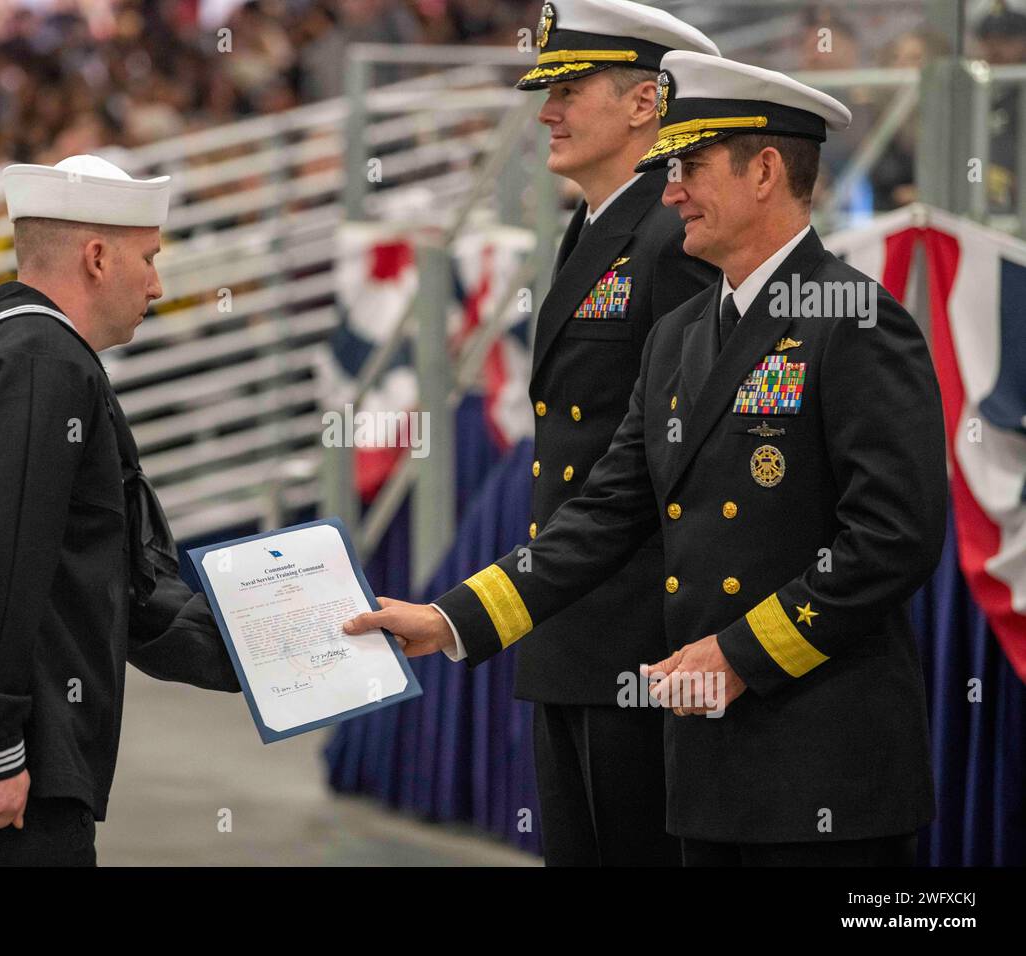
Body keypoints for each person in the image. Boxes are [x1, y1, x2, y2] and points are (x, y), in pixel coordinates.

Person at [346, 53, 947, 866]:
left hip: (821, 766)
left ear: (765, 170)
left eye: (691, 167)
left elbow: (893, 537)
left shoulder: (855, 321)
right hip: (705, 760)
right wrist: (452, 618)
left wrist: (741, 653)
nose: (669, 192)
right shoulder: (679, 336)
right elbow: (602, 512)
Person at [0, 154, 240, 866]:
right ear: (97, 257)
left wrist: (274, 645)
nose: (158, 285)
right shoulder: (43, 360)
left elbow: (109, 578)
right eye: (150, 259)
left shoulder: (9, 342)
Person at [488, 0, 719, 867]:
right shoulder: (596, 227)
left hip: (639, 639)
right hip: (576, 628)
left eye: (570, 87)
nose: (546, 110)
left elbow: (684, 456)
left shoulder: (672, 236)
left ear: (644, 103)